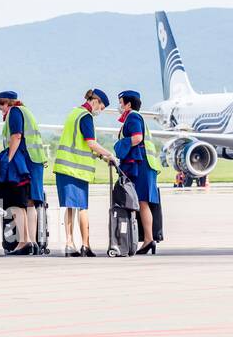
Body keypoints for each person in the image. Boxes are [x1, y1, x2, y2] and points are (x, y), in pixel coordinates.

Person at [53, 88, 117, 257]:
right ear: (95, 101)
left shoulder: (74, 113)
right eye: (101, 107)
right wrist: (108, 154)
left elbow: (79, 143)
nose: (100, 111)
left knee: (70, 207)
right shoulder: (86, 117)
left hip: (64, 168)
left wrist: (100, 157)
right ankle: (85, 245)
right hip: (76, 169)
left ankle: (69, 243)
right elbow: (90, 143)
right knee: (82, 207)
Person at [0, 91, 45, 254]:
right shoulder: (26, 110)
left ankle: (23, 242)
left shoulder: (15, 112)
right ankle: (32, 243)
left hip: (24, 162)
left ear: (8, 103)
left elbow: (16, 136)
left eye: (1, 104)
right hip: (35, 161)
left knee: (16, 201)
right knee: (30, 202)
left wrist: (8, 159)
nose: (0, 108)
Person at [116, 89, 161, 255]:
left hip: (141, 165)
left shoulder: (133, 116)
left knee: (141, 202)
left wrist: (119, 146)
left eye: (121, 103)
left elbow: (137, 138)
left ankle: (149, 239)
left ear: (128, 104)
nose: (119, 106)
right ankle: (147, 239)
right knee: (142, 202)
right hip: (143, 164)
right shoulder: (134, 117)